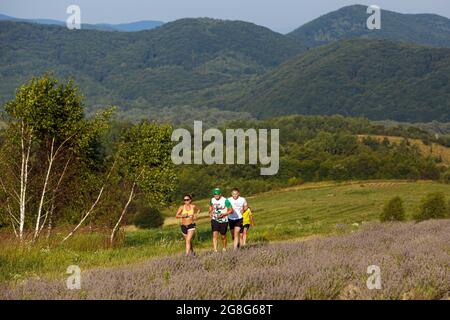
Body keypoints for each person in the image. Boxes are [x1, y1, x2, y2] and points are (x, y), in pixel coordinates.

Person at [209, 188, 232, 252]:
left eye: (217, 195)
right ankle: (215, 250)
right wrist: (210, 212)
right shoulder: (212, 200)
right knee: (214, 234)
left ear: (220, 194)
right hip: (215, 219)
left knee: (223, 236)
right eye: (214, 195)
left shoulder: (225, 200)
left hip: (224, 220)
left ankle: (224, 248)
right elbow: (211, 207)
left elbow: (230, 210)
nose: (216, 196)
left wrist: (224, 214)